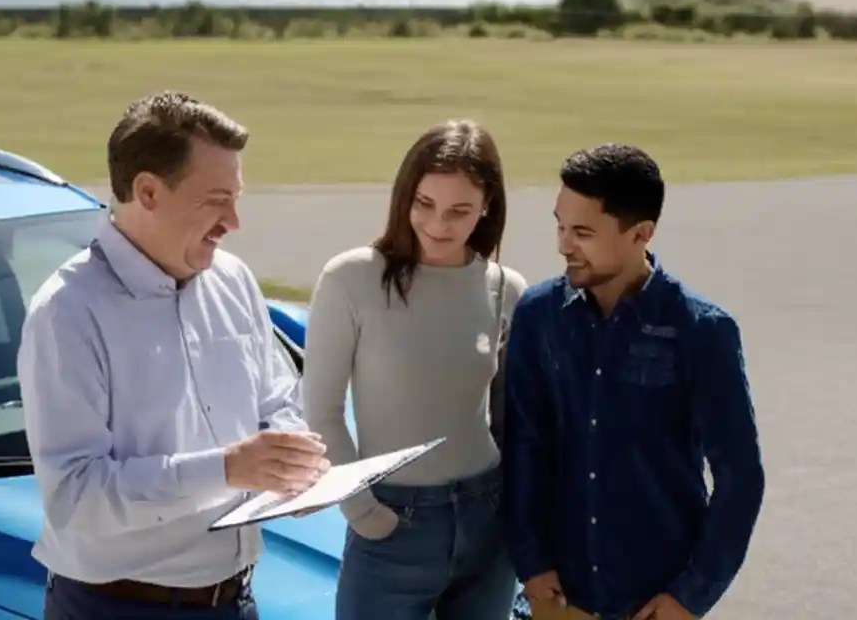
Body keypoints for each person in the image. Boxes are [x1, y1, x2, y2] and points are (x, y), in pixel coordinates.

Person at [17, 90, 330, 620]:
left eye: (236, 198)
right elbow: (76, 498)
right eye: (216, 200)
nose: (234, 221)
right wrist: (226, 470)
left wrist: (292, 464)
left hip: (235, 601)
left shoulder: (233, 279)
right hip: (116, 609)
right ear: (148, 192)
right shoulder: (67, 312)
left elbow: (277, 401)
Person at [502, 144, 765, 620]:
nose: (564, 245)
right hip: (556, 597)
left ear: (641, 233)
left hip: (653, 603)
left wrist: (691, 596)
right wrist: (531, 561)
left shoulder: (702, 331)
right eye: (560, 226)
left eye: (583, 232)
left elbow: (740, 477)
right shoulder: (538, 317)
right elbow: (525, 444)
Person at [303, 119, 529, 620]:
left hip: (488, 521)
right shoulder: (351, 279)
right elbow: (321, 412)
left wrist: (516, 512)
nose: (437, 224)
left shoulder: (506, 289)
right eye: (424, 203)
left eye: (459, 211)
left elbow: (512, 419)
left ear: (487, 206)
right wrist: (363, 512)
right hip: (392, 524)